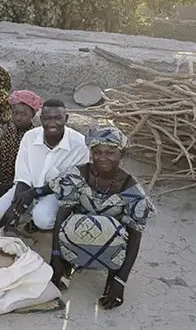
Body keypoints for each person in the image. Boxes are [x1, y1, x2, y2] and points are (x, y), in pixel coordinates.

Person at [48, 127, 155, 309]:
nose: (103, 157)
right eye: (97, 152)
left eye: (110, 152)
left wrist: (120, 280)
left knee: (113, 232)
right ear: (91, 154)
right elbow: (61, 217)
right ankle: (68, 263)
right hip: (78, 233)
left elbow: (135, 238)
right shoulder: (78, 175)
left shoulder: (131, 189)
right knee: (71, 226)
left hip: (112, 243)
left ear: (121, 154)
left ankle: (112, 272)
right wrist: (56, 257)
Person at [0, 99, 90, 230]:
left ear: (66, 118)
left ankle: (42, 218)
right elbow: (23, 174)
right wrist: (15, 204)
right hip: (27, 188)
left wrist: (33, 193)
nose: (52, 123)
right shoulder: (30, 137)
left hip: (55, 193)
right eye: (47, 118)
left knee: (43, 220)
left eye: (57, 118)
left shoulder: (80, 144)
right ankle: (26, 212)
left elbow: (68, 183)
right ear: (40, 119)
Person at [0, 90, 44, 190]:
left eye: (23, 114)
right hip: (5, 170)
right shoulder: (9, 128)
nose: (18, 118)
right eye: (15, 113)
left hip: (23, 179)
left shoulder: (33, 135)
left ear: (32, 116)